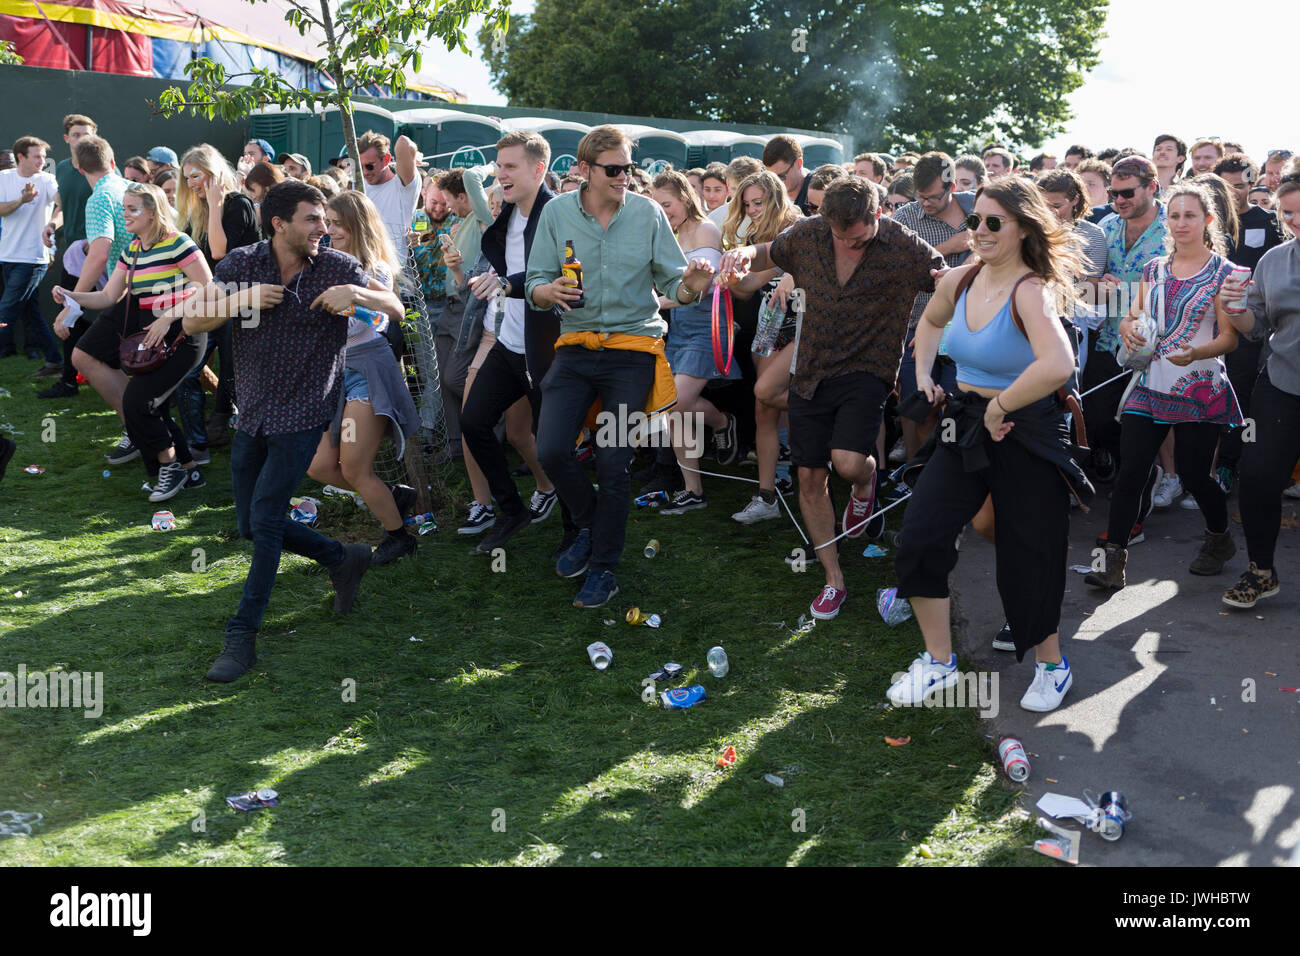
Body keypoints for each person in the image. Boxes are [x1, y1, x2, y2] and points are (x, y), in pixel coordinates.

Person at [182, 179, 405, 682]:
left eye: (325, 220)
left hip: (305, 414)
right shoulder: (241, 265)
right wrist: (240, 302)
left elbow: (397, 310)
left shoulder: (337, 267)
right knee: (248, 524)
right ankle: (341, 557)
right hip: (253, 412)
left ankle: (242, 637)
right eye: (312, 219)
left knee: (264, 523)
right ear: (279, 223)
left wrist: (361, 293)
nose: (323, 228)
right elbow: (194, 322)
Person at [888, 175, 1085, 712]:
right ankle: (939, 663)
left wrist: (1001, 406)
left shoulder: (1031, 290)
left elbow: (1059, 364)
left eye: (994, 222)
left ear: (1023, 228)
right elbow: (928, 324)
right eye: (974, 220)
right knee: (921, 537)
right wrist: (924, 373)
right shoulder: (960, 279)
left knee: (1030, 553)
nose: (980, 230)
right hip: (965, 424)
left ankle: (1052, 664)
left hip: (1027, 432)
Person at [720, 177, 945, 621]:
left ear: (877, 216)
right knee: (808, 477)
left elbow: (947, 277)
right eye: (840, 235)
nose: (848, 242)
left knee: (846, 462)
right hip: (810, 367)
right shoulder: (809, 232)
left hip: (868, 368)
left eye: (857, 236)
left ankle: (866, 483)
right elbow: (769, 252)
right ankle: (833, 579)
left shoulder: (904, 244)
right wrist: (744, 253)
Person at [528, 125, 715, 609]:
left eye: (629, 168)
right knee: (551, 450)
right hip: (574, 348)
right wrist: (546, 292)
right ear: (585, 170)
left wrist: (694, 283)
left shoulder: (648, 213)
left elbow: (676, 287)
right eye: (614, 170)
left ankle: (605, 567)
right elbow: (534, 280)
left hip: (632, 352)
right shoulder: (556, 212)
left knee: (613, 460)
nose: (625, 177)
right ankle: (591, 525)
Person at [1086, 182, 1243, 590]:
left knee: (1193, 475)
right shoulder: (1154, 267)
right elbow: (1132, 315)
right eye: (1174, 216)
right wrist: (1128, 330)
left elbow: (1230, 339)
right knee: (1130, 473)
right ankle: (1110, 562)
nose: (1180, 223)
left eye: (1190, 215)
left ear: (1208, 220)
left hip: (1198, 388)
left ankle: (1218, 538)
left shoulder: (1225, 274)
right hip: (1150, 383)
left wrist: (1195, 353)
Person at [59, 183, 212, 500]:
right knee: (146, 403)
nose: (125, 214)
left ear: (153, 212)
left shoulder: (178, 243)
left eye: (132, 209)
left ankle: (167, 468)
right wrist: (70, 295)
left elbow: (207, 286)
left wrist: (170, 316)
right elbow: (107, 296)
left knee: (138, 403)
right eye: (124, 207)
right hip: (150, 335)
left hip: (183, 334)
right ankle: (186, 469)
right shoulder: (133, 248)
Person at [457, 130, 568, 554]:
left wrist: (507, 282)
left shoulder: (557, 213)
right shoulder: (508, 211)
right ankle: (511, 509)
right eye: (498, 166)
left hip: (547, 347)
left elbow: (561, 274)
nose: (501, 174)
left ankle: (576, 532)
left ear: (539, 169)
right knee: (473, 422)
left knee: (555, 446)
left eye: (510, 166)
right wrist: (491, 279)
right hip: (508, 341)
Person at [306, 190, 421, 565]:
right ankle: (391, 495)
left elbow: (380, 317)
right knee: (320, 465)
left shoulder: (373, 270)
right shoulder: (322, 263)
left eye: (337, 224)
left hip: (366, 371)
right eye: (326, 223)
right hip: (332, 375)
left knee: (354, 467)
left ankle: (398, 536)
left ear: (357, 225)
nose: (329, 230)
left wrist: (345, 299)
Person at [1221, 173, 1300, 608]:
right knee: (1256, 475)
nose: (1295, 220)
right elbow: (1256, 328)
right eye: (1287, 212)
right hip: (1282, 383)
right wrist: (1236, 310)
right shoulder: (1273, 260)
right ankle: (1261, 571)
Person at [648, 169, 738, 516]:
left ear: (685, 198)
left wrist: (652, 302)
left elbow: (700, 289)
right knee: (671, 412)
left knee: (672, 404)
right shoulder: (665, 234)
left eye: (667, 203)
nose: (663, 210)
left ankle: (721, 422)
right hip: (678, 328)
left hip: (707, 326)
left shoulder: (706, 229)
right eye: (657, 204)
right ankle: (693, 491)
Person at [718, 170, 800, 519]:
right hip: (769, 325)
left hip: (802, 323)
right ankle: (768, 496)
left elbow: (807, 265)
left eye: (758, 202)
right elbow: (750, 286)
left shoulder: (800, 227)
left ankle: (825, 421)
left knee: (767, 393)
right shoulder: (754, 235)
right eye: (746, 203)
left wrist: (793, 277)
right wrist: (730, 278)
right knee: (763, 408)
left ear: (776, 199)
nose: (751, 210)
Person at [1084, 156, 1167, 498]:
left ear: (1152, 187)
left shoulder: (1173, 227)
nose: (1119, 200)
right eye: (1113, 193)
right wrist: (1096, 286)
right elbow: (1084, 292)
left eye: (1127, 192)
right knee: (1097, 417)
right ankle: (1126, 472)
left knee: (1143, 426)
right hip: (1107, 341)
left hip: (1156, 345)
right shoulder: (1104, 227)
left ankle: (1143, 487)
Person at [175, 144, 261, 463]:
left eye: (196, 176)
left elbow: (219, 252)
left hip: (242, 299)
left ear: (213, 173)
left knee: (232, 367)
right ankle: (198, 441)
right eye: (187, 178)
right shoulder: (197, 208)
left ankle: (225, 424)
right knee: (189, 368)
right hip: (210, 299)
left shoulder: (238, 204)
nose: (192, 183)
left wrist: (214, 204)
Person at [893, 152, 978, 459]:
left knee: (957, 409)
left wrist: (974, 255)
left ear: (952, 187)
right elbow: (892, 269)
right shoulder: (904, 218)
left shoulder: (980, 210)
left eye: (931, 197)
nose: (924, 203)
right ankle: (916, 474)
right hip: (919, 330)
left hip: (969, 330)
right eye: (919, 196)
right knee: (920, 409)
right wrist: (948, 248)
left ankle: (949, 470)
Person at [42, 135, 128, 403]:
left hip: (131, 292)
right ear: (113, 161)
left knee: (85, 356)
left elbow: (100, 254)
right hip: (140, 289)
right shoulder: (132, 188)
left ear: (79, 169)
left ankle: (139, 427)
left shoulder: (100, 198)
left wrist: (72, 304)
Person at [40, 114, 97, 383]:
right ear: (66, 139)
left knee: (81, 311)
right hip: (73, 256)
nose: (82, 139)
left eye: (87, 134)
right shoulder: (61, 168)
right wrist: (52, 224)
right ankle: (70, 378)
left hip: (101, 255)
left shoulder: (103, 168)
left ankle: (76, 375)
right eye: (76, 135)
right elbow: (62, 208)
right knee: (69, 311)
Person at [0, 136, 63, 370]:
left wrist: (52, 225)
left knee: (4, 312)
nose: (42, 161)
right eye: (37, 156)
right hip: (7, 257)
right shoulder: (3, 178)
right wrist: (22, 200)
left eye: (44, 157)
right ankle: (55, 361)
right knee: (30, 313)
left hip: (33, 259)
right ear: (21, 157)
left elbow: (61, 206)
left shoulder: (47, 180)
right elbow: (1, 209)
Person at [357, 130, 422, 261]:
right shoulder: (357, 184)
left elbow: (403, 141)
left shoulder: (403, 185)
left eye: (370, 166)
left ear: (386, 159)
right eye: (360, 166)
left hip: (395, 270)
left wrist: (413, 155)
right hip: (364, 265)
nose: (365, 172)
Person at [763, 135, 814, 215]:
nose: (776, 183)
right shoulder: (767, 198)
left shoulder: (819, 194)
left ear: (799, 163)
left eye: (781, 176)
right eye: (771, 178)